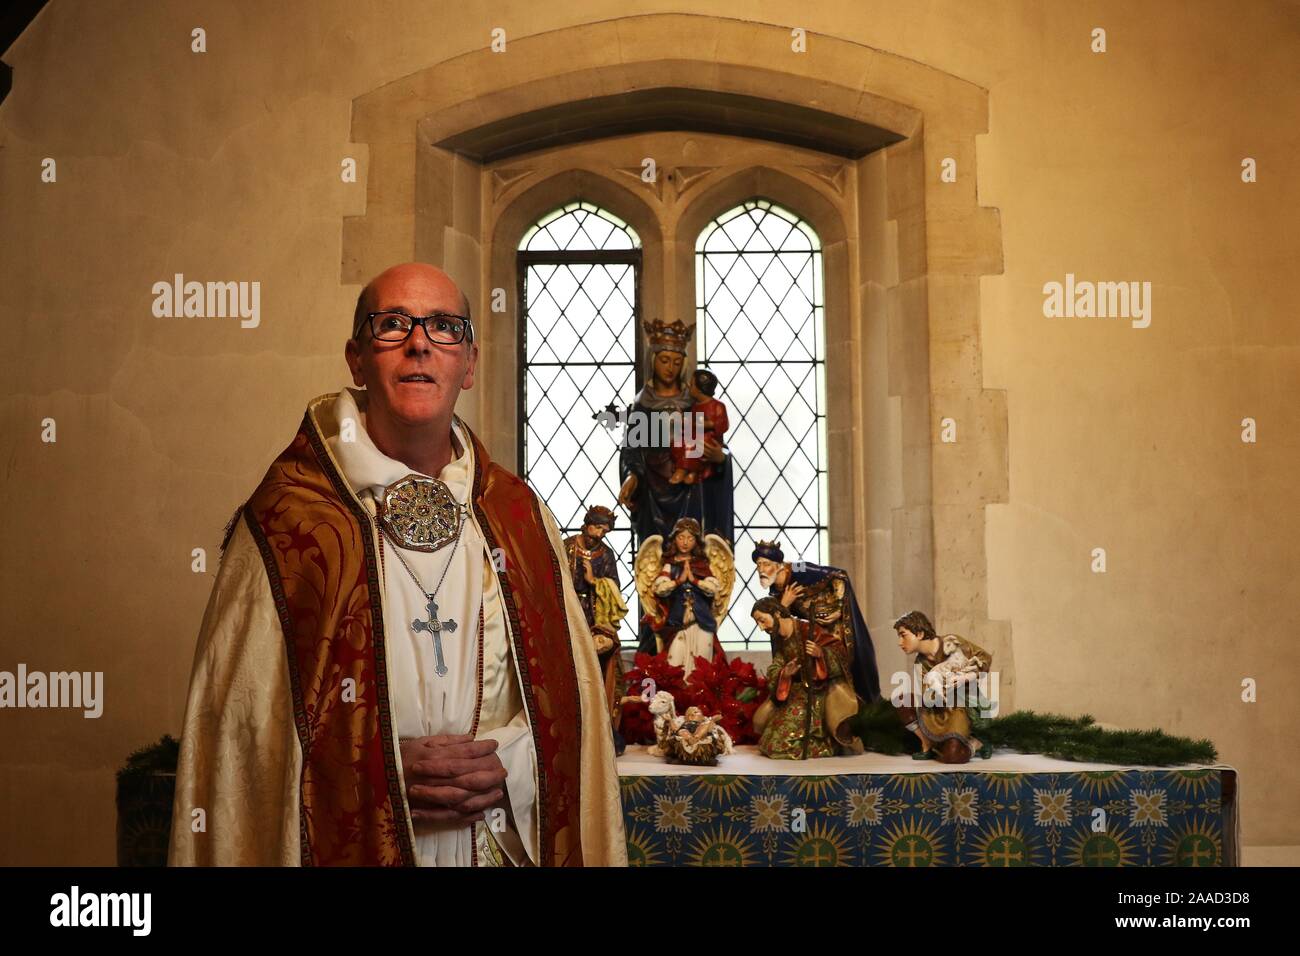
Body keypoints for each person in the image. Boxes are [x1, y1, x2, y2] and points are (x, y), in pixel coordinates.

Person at [168, 263, 626, 867]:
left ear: (469, 363)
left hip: (493, 841)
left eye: (444, 326)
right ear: (357, 359)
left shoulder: (518, 518)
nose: (419, 342)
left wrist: (512, 764)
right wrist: (376, 764)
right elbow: (244, 733)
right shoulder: (288, 523)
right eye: (393, 325)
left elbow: (572, 705)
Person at [753, 539, 880, 704]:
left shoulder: (798, 567)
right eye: (758, 565)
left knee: (843, 667)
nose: (761, 570)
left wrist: (838, 609)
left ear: (779, 565)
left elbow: (839, 575)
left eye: (766, 564)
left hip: (835, 626)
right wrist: (784, 605)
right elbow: (779, 627)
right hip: (813, 632)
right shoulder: (776, 594)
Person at [750, 598, 863, 760]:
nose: (761, 628)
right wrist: (785, 673)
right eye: (758, 623)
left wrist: (820, 654)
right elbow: (777, 666)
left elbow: (840, 654)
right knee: (769, 741)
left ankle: (822, 745)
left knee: (781, 745)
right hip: (794, 693)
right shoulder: (781, 638)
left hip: (815, 694)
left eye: (762, 620)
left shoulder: (807, 629)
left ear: (776, 613)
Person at [563, 504, 629, 753]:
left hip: (596, 615)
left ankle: (603, 727)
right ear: (587, 523)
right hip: (570, 611)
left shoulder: (606, 555)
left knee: (599, 670)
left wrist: (594, 582)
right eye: (598, 527)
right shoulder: (568, 546)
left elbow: (615, 588)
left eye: (605, 530)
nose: (601, 533)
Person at [893, 610, 993, 764]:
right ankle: (927, 742)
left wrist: (966, 677)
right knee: (902, 701)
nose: (900, 643)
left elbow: (984, 658)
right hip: (939, 707)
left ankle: (975, 743)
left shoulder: (952, 643)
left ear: (919, 634)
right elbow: (928, 694)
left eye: (903, 635)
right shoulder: (920, 663)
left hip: (960, 707)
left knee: (952, 756)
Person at [648, 518, 728, 678]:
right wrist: (678, 581)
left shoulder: (702, 565)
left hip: (701, 622)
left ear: (696, 541)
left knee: (702, 663)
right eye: (681, 537)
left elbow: (714, 588)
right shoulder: (669, 565)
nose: (685, 542)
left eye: (690, 538)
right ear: (674, 539)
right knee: (675, 661)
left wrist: (694, 580)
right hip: (678, 623)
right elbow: (659, 588)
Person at [669, 368, 729, 485]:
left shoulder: (718, 406)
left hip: (709, 440)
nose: (687, 386)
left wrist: (700, 424)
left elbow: (722, 425)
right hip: (695, 437)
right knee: (678, 443)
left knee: (693, 445)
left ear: (700, 390)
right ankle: (693, 473)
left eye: (691, 385)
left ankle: (683, 470)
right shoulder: (695, 406)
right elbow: (689, 426)